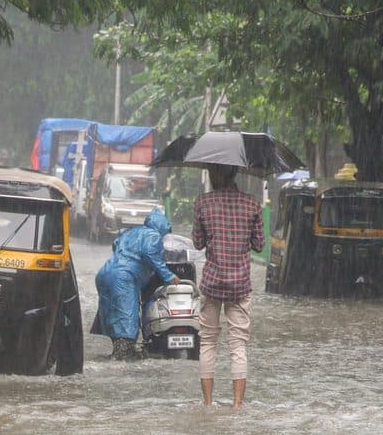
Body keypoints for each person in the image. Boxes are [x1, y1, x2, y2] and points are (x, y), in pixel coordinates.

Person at [192, 164, 264, 409]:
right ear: (235, 174)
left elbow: (198, 242)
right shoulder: (252, 204)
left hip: (212, 282)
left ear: (213, 175)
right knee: (238, 344)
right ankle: (236, 406)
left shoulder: (203, 202)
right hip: (240, 284)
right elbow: (260, 245)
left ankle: (208, 404)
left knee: (208, 342)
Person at [95, 208, 180, 360]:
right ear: (162, 226)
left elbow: (115, 244)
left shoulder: (131, 232)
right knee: (127, 319)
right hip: (123, 278)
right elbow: (150, 255)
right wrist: (170, 276)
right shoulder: (153, 235)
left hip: (106, 273)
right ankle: (124, 354)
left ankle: (119, 351)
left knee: (113, 316)